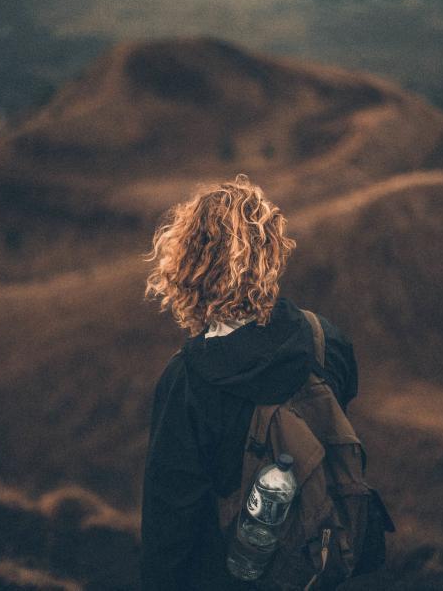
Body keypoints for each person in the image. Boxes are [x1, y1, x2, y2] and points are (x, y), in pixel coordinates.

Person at [140, 174, 362, 590]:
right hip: (310, 565)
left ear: (189, 265)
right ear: (271, 254)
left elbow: (168, 529)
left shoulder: (185, 381)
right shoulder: (325, 340)